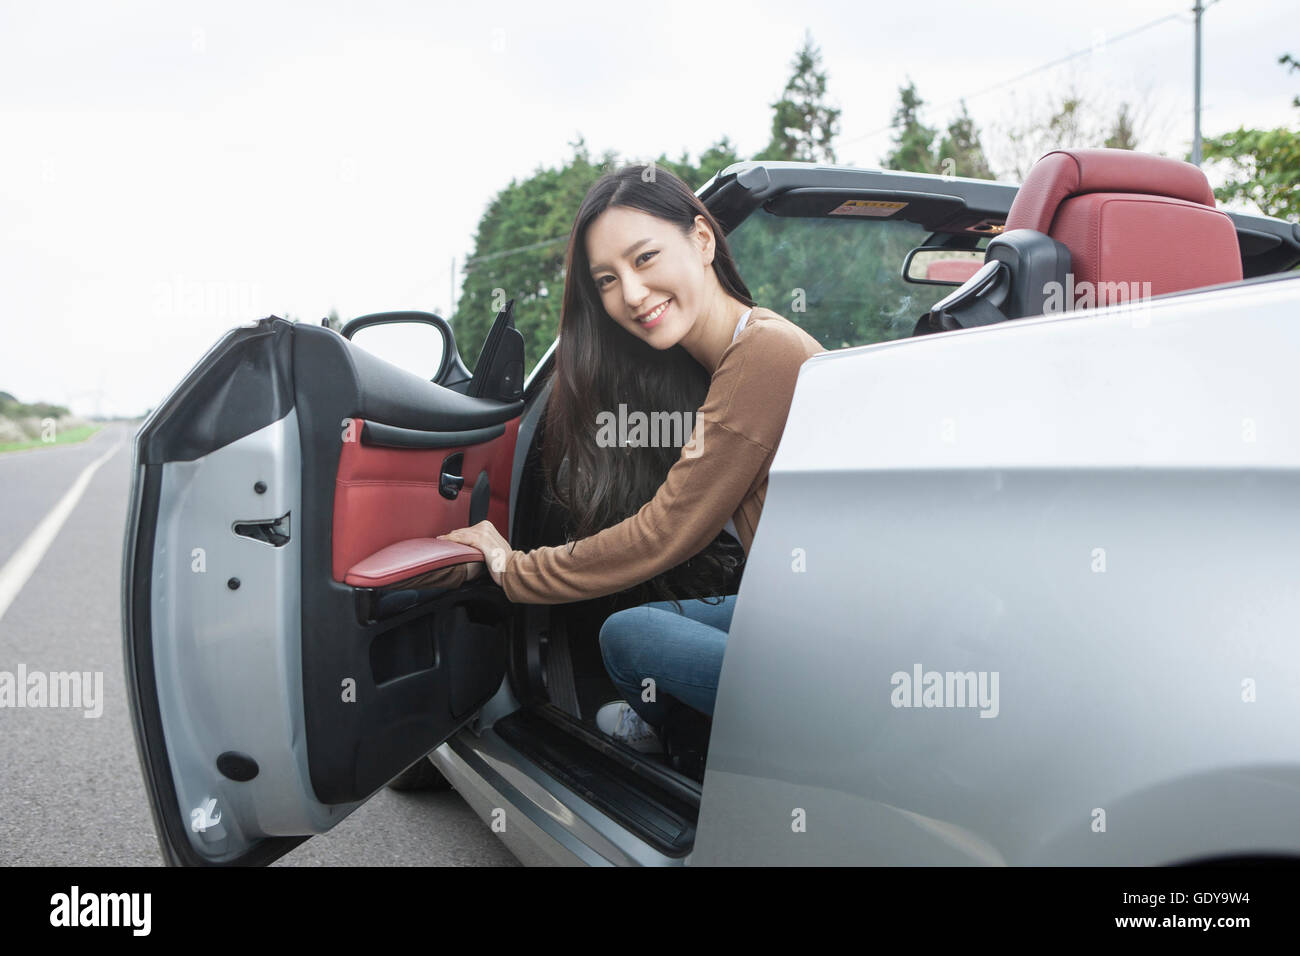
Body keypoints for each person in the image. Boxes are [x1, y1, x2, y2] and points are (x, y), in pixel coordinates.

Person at [392, 163, 826, 765]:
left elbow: (664, 533)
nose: (631, 293)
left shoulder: (764, 353)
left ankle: (700, 755)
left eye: (645, 258)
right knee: (662, 621)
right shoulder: (732, 357)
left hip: (827, 654)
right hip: (805, 614)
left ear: (702, 240)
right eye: (607, 279)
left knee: (627, 635)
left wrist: (510, 568)